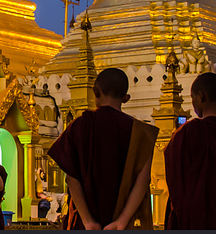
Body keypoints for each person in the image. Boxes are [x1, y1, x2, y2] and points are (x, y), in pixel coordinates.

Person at [48, 67, 158, 229]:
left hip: (85, 223)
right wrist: (122, 220)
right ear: (126, 98)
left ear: (95, 92)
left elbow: (71, 177)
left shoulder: (80, 125)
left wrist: (88, 221)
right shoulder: (141, 132)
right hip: (123, 224)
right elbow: (143, 180)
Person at [164, 72, 216, 230]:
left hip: (194, 213)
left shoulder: (186, 132)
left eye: (192, 97)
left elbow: (173, 171)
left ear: (200, 96)